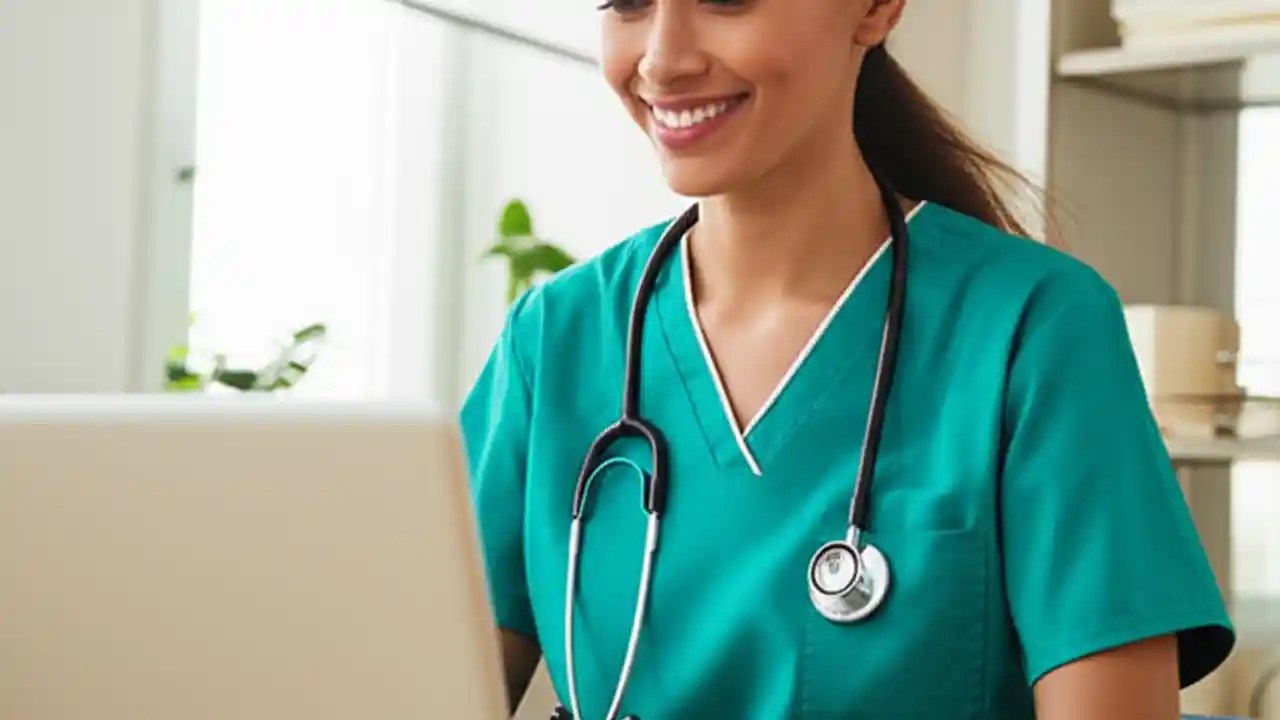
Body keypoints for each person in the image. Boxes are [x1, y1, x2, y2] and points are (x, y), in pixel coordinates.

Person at [459, 1, 1236, 718]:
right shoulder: (554, 342)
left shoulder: (1033, 331)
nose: (663, 59)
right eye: (627, 0)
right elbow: (407, 678)